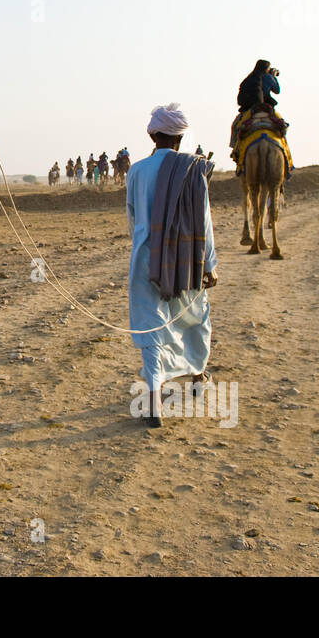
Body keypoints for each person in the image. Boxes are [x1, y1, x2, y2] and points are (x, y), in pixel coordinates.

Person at [126, 103, 217, 429]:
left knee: (151, 325)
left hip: (145, 259)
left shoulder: (136, 170)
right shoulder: (194, 170)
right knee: (194, 316)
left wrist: (143, 247)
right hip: (184, 257)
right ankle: (197, 375)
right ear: (181, 136)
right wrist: (209, 264)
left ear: (153, 134)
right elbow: (203, 220)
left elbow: (133, 218)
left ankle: (153, 394)